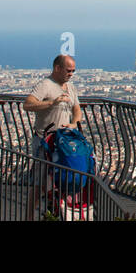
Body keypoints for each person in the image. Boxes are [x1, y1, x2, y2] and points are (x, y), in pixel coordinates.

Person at [23, 54, 82, 217]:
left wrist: (74, 123)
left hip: (64, 141)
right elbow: (27, 104)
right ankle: (29, 217)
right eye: (68, 70)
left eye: (73, 71)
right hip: (44, 139)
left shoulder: (71, 88)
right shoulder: (45, 85)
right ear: (57, 68)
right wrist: (51, 103)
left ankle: (58, 213)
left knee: (63, 179)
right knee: (40, 181)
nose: (71, 74)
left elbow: (77, 109)